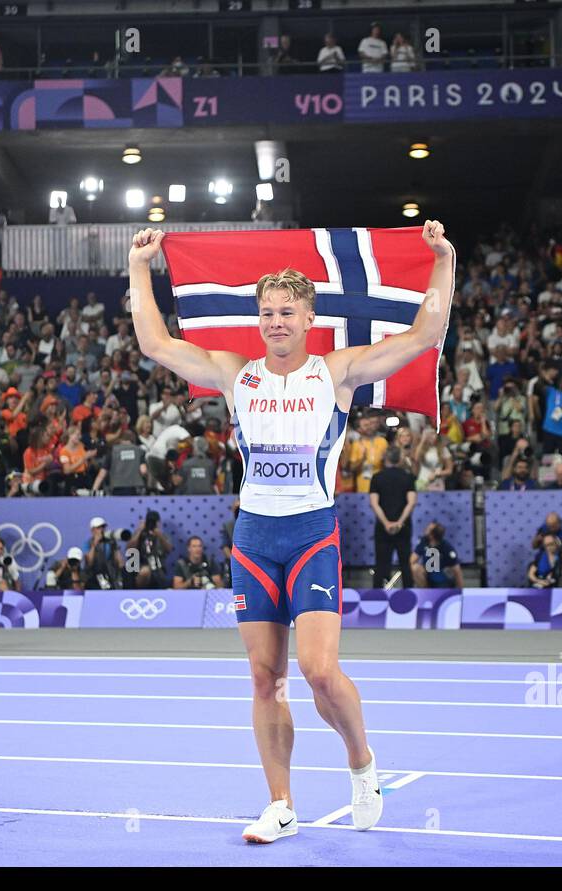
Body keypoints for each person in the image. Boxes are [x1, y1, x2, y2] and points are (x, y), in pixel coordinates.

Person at [129, 218, 454, 843]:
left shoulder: (336, 374)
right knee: (264, 677)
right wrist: (141, 267)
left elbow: (426, 333)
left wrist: (442, 258)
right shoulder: (235, 373)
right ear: (260, 318)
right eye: (268, 312)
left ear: (309, 319)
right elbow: (154, 343)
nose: (277, 322)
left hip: (311, 536)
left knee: (319, 672)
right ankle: (280, 804)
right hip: (254, 539)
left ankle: (362, 764)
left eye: (288, 312)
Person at [368, 446, 417, 587]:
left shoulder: (377, 478)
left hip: (383, 528)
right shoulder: (408, 477)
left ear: (386, 458)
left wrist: (386, 523)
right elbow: (411, 502)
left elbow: (374, 503)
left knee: (381, 564)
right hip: (404, 527)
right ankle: (410, 599)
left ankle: (376, 600)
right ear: (400, 459)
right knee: (405, 564)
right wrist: (400, 522)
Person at [410, 521, 463, 588]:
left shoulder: (447, 548)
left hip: (442, 578)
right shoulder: (424, 542)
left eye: (428, 529)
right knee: (414, 568)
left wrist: (460, 592)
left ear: (432, 535)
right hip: (428, 575)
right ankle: (425, 591)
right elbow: (412, 560)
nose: (425, 529)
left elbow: (457, 570)